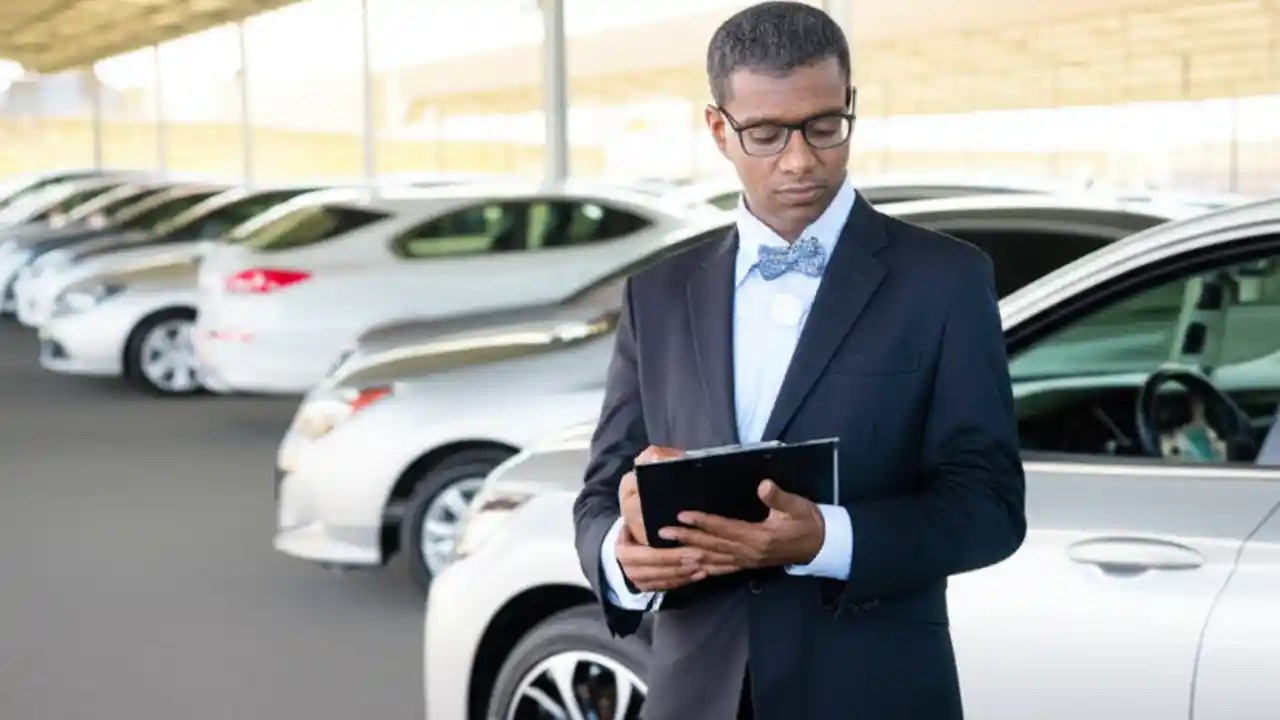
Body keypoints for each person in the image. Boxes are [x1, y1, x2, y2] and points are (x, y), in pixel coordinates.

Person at [572, 2, 1027, 718]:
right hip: (698, 696)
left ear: (851, 107)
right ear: (718, 129)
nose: (800, 160)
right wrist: (620, 561)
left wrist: (828, 538)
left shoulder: (946, 280)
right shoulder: (656, 295)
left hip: (873, 693)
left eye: (823, 126)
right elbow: (602, 492)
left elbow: (991, 507)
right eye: (765, 133)